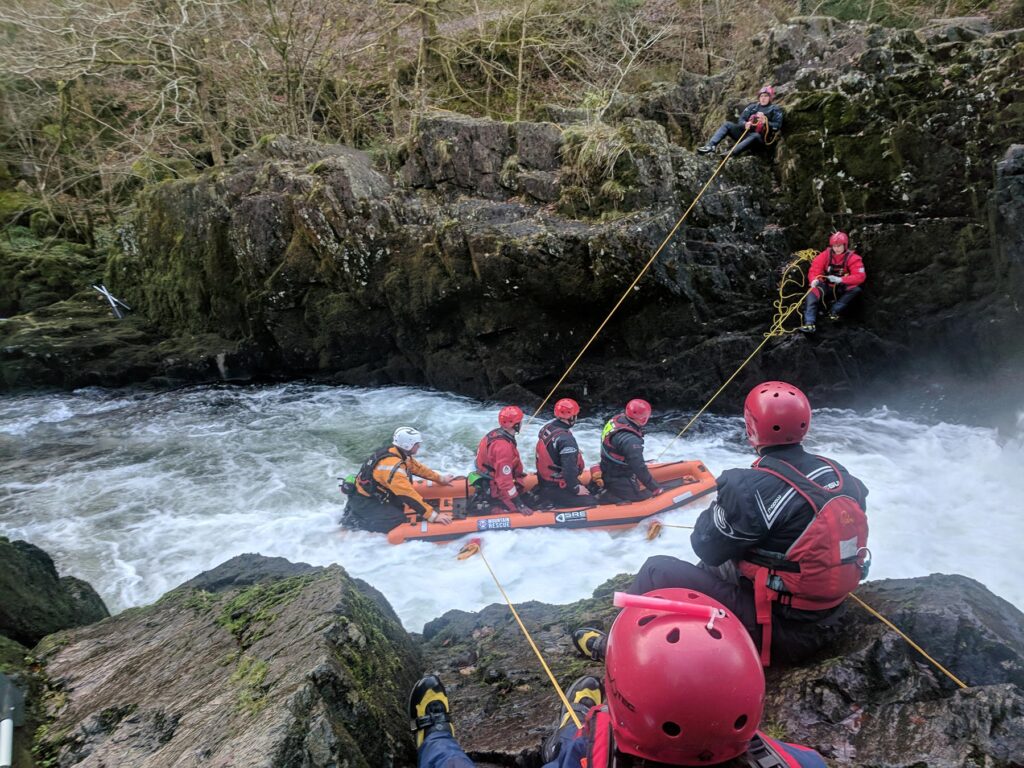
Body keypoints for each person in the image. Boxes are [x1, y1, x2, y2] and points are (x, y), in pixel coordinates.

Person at [409, 588, 828, 768]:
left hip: (591, 748)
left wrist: (442, 748)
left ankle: (435, 738)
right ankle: (579, 713)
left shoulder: (583, 757)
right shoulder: (804, 761)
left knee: (578, 739)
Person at [609, 381, 869, 666]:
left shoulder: (748, 486)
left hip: (780, 631)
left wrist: (724, 507)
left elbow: (705, 547)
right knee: (718, 566)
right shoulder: (840, 474)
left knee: (656, 569)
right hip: (830, 617)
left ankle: (610, 646)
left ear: (752, 428)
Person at [343, 427, 455, 533]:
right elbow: (407, 494)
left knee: (399, 505)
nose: (419, 446)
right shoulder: (393, 467)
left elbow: (418, 468)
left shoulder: (396, 453)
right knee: (398, 518)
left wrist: (440, 479)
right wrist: (433, 516)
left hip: (370, 495)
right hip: (366, 502)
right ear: (408, 445)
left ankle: (357, 514)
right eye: (417, 444)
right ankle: (354, 524)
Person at [800, 231, 866, 333]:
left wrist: (841, 279)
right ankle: (809, 323)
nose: (837, 248)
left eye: (839, 246)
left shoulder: (853, 258)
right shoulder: (824, 255)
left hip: (841, 286)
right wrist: (814, 280)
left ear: (845, 245)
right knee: (811, 292)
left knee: (855, 290)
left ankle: (834, 311)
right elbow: (814, 270)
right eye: (834, 246)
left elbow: (860, 276)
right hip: (825, 285)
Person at [599, 399, 663, 503]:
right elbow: (639, 467)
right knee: (639, 499)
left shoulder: (617, 420)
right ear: (643, 419)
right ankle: (608, 498)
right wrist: (654, 487)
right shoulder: (631, 440)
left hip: (606, 467)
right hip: (619, 477)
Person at [474, 406, 534, 515]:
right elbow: (504, 481)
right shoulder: (503, 447)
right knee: (513, 508)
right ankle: (490, 507)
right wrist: (518, 503)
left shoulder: (494, 434)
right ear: (515, 425)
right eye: (520, 422)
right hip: (495, 486)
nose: (521, 424)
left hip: (488, 478)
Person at [697, 85, 783, 157]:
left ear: (770, 97)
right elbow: (741, 119)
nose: (763, 98)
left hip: (760, 140)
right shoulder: (752, 107)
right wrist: (745, 124)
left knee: (755, 135)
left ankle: (732, 153)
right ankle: (710, 146)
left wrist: (766, 122)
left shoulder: (775, 109)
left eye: (766, 96)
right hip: (746, 135)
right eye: (761, 96)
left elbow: (777, 126)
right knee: (727, 125)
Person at [535, 398, 591, 508]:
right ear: (572, 417)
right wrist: (576, 488)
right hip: (557, 486)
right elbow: (569, 469)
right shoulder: (566, 440)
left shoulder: (548, 428)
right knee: (591, 502)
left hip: (544, 481)